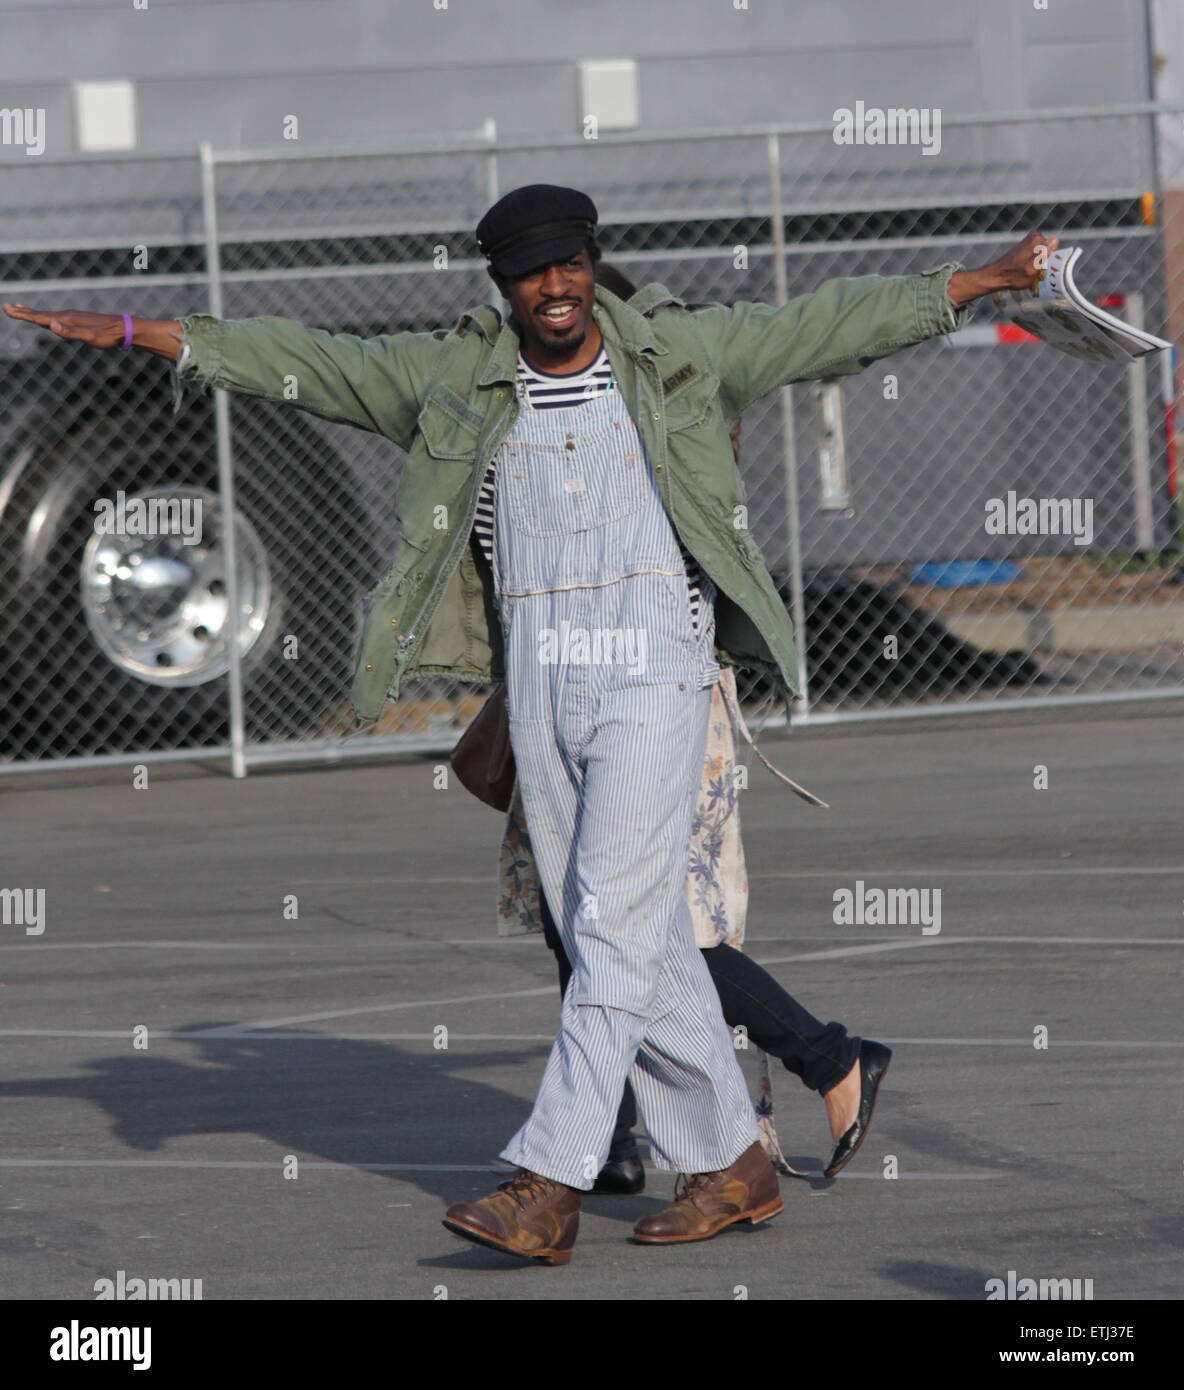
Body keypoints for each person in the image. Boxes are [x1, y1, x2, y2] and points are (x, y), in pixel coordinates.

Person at [2, 188, 1056, 1267]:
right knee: (633, 934)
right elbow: (306, 360)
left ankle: (544, 1184)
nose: (553, 287)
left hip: (655, 665)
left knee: (603, 923)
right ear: (499, 285)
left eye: (568, 265)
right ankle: (731, 1163)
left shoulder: (682, 354)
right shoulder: (453, 379)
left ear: (592, 263)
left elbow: (834, 320)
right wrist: (141, 334)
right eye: (529, 272)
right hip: (538, 676)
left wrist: (982, 280)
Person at [480, 260, 887, 1199]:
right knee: (585, 923)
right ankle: (641, 1135)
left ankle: (818, 1060)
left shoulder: (658, 414)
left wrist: (976, 284)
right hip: (554, 698)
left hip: (655, 697)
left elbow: (830, 324)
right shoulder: (518, 411)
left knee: (634, 925)